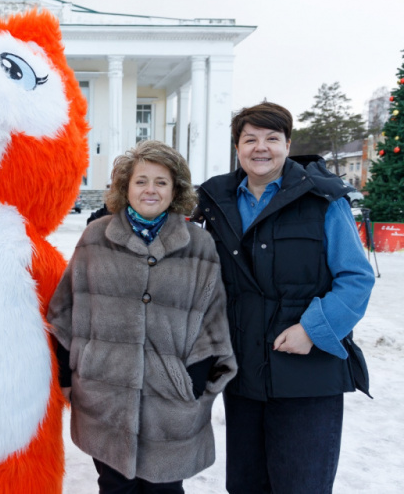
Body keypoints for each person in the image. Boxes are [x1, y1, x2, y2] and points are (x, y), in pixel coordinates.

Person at [194, 102, 376, 494]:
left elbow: (356, 278)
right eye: (250, 139)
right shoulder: (216, 203)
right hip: (243, 374)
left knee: (301, 484)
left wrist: (312, 330)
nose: (261, 148)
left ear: (288, 144)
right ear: (237, 147)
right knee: (246, 485)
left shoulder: (323, 201)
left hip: (307, 374)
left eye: (272, 138)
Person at [48, 140, 237, 493]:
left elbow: (213, 322)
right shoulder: (94, 238)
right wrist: (70, 378)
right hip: (103, 397)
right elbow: (64, 312)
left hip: (171, 402)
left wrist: (191, 386)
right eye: (141, 180)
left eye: (161, 182)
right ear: (125, 187)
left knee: (164, 489)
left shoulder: (198, 246)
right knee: (115, 486)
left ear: (175, 189)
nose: (150, 189)